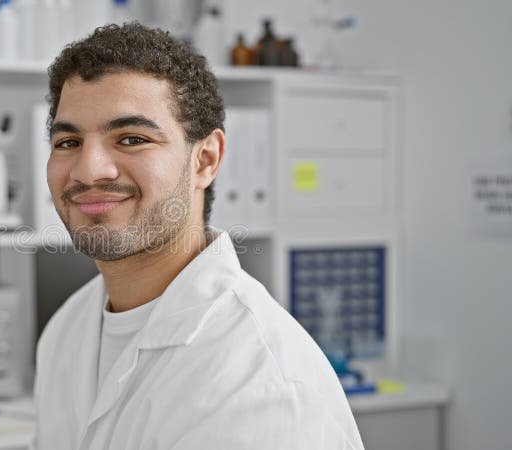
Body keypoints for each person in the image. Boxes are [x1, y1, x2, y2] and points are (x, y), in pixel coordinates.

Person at [34, 23, 365, 450]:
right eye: (68, 142)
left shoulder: (261, 387)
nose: (88, 170)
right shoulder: (66, 329)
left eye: (132, 139)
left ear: (205, 160)